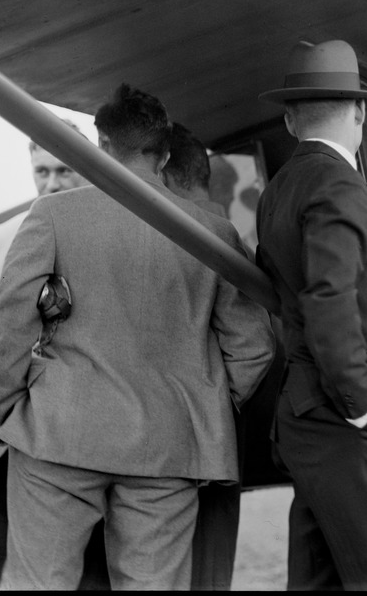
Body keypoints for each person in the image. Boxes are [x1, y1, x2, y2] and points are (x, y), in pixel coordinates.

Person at [0, 84, 276, 590]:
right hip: (169, 445)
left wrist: (13, 404)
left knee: (35, 584)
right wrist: (198, 405)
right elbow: (254, 348)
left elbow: (8, 321)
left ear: (100, 146)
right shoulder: (215, 233)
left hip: (59, 430)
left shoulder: (54, 215)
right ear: (165, 154)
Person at [255, 39, 367, 590]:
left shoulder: (278, 189)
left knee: (319, 581)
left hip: (307, 417)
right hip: (345, 418)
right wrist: (361, 404)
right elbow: (329, 299)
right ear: (359, 112)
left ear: (289, 119)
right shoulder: (338, 183)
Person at [0, 122, 98, 591]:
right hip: (0, 441)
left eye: (63, 171)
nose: (52, 184)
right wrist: (12, 363)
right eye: (41, 171)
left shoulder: (107, 239)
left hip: (85, 440)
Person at [162, 121, 247, 591]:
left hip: (169, 439)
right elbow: (252, 350)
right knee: (213, 572)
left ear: (166, 173)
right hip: (220, 441)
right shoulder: (234, 232)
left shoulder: (180, 232)